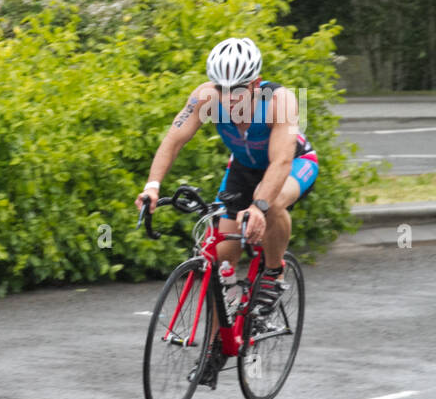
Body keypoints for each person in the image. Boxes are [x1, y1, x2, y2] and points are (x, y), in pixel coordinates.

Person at [136, 36, 318, 314]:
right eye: (222, 88)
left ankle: (273, 274)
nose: (229, 96)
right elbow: (172, 141)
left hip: (294, 163)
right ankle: (217, 345)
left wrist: (258, 207)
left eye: (238, 88)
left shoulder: (281, 101)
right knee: (220, 261)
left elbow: (280, 162)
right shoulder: (204, 97)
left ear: (256, 84)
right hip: (243, 167)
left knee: (272, 203)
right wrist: (152, 186)